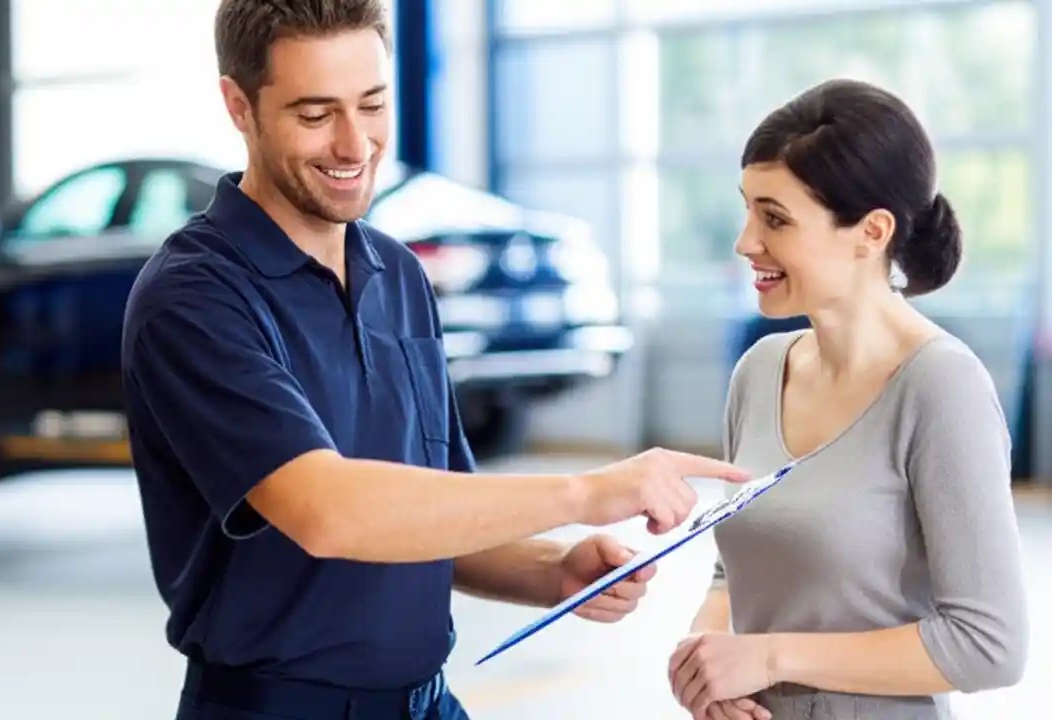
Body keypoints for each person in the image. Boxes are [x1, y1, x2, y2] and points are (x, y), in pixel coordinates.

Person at [120, 2, 752, 719]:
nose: (354, 143)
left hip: (427, 703)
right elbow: (330, 512)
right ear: (239, 105)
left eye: (373, 104)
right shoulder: (194, 298)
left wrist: (551, 570)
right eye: (315, 113)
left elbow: (431, 509)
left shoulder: (397, 273)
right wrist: (587, 492)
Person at [667, 78, 1030, 720]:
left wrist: (771, 658)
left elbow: (988, 644)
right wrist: (708, 664)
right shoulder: (759, 372)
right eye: (748, 209)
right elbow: (738, 575)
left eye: (774, 218)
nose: (746, 241)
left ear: (871, 231)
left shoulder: (940, 386)